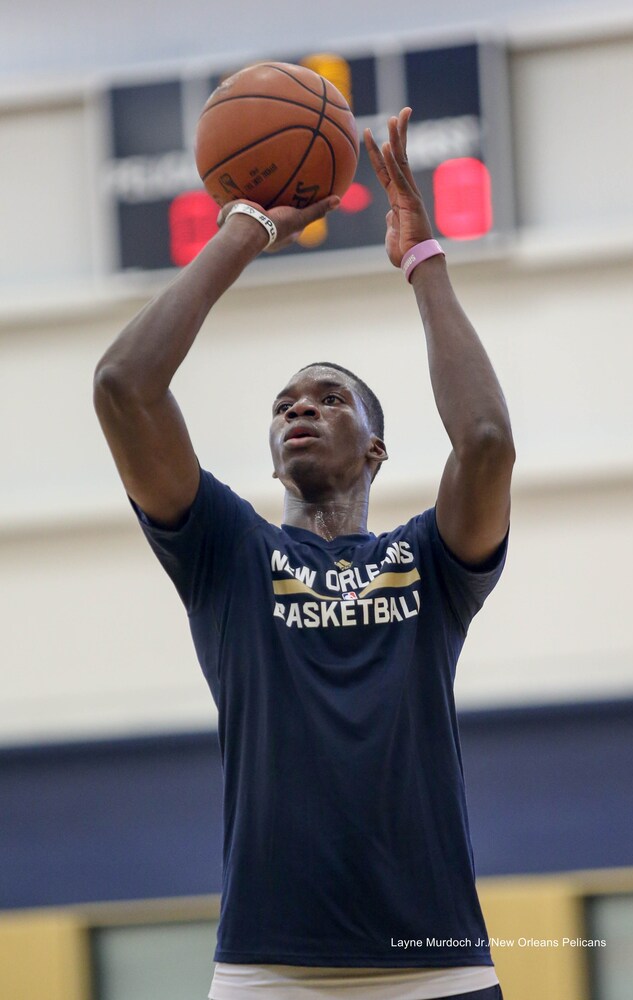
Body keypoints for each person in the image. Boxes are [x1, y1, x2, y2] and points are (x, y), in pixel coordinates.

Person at [94, 109, 514, 1000]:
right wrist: (246, 231)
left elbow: (484, 441)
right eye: (285, 403)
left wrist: (423, 261)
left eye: (330, 399)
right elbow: (124, 387)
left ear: (375, 449)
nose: (300, 408)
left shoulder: (428, 564)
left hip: (438, 970)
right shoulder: (227, 553)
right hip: (266, 972)